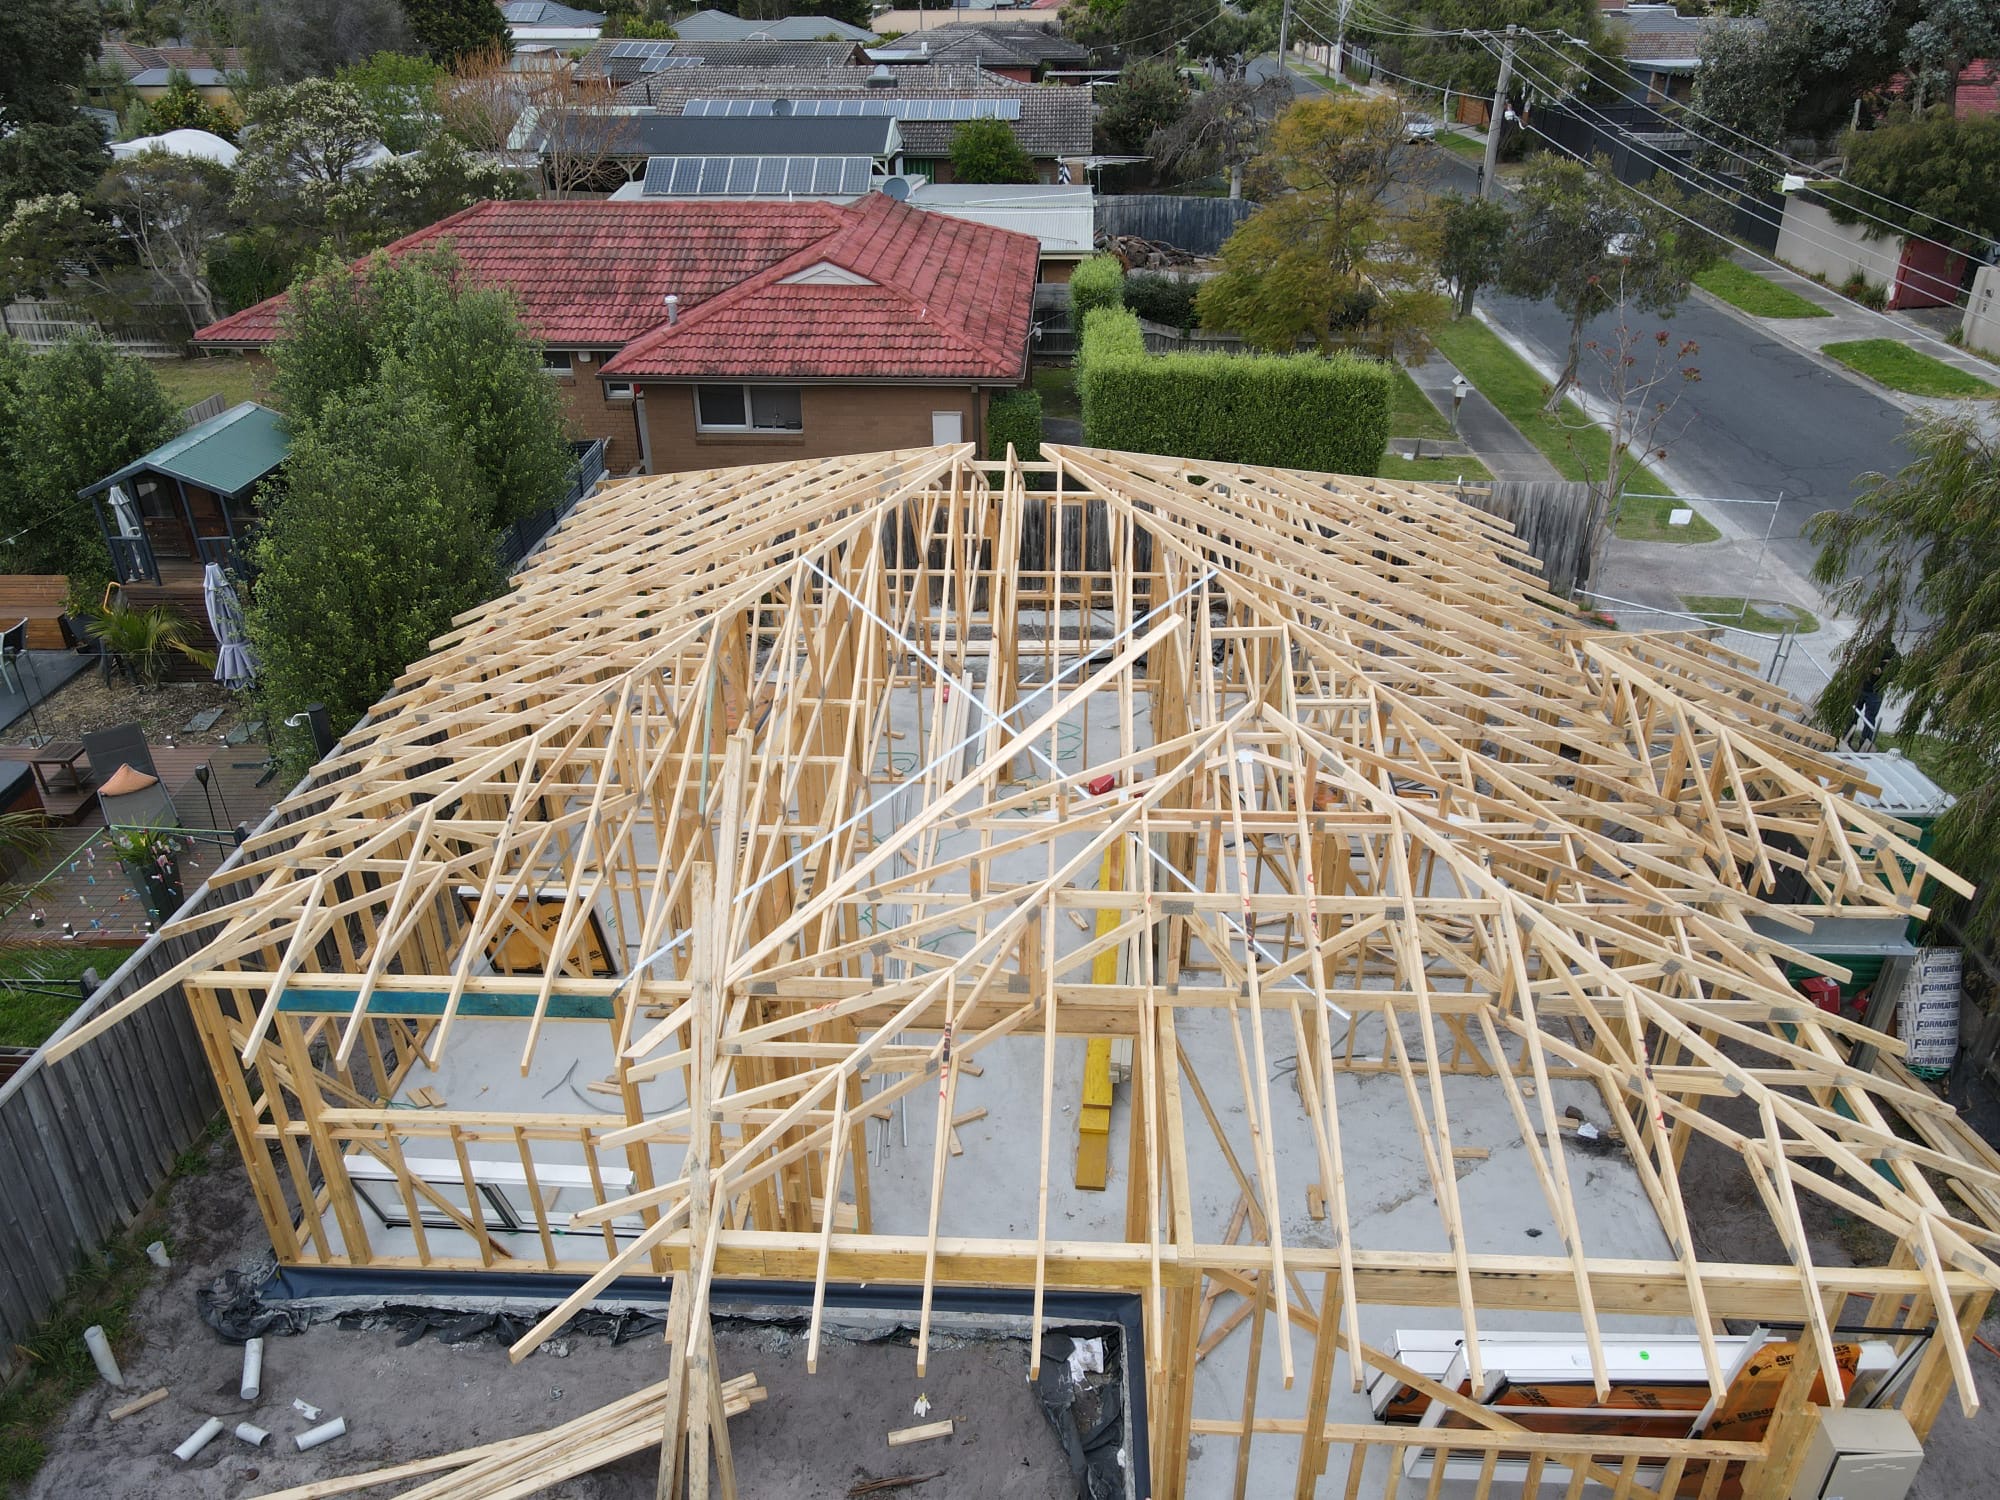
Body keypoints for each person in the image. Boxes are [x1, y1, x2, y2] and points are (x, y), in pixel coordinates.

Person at [1849, 637, 1900, 750]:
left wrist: (1881, 667)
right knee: (1853, 714)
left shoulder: (1894, 656)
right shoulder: (1869, 651)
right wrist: (1880, 666)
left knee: (1869, 719)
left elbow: (1890, 674)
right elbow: (1863, 666)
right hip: (1862, 688)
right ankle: (1847, 738)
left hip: (1875, 692)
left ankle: (1864, 744)